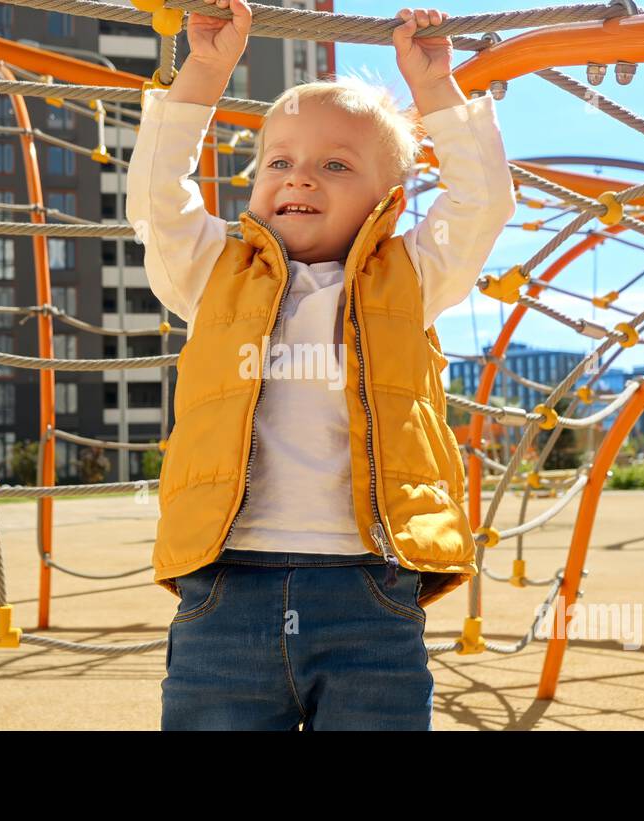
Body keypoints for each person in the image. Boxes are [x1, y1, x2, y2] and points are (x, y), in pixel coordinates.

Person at [127, 0, 516, 729]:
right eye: (281, 162)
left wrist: (435, 91)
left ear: (388, 200)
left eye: (335, 165)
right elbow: (157, 200)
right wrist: (204, 74)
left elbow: (481, 202)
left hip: (369, 587)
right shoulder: (214, 271)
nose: (300, 179)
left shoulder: (411, 277)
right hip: (226, 585)